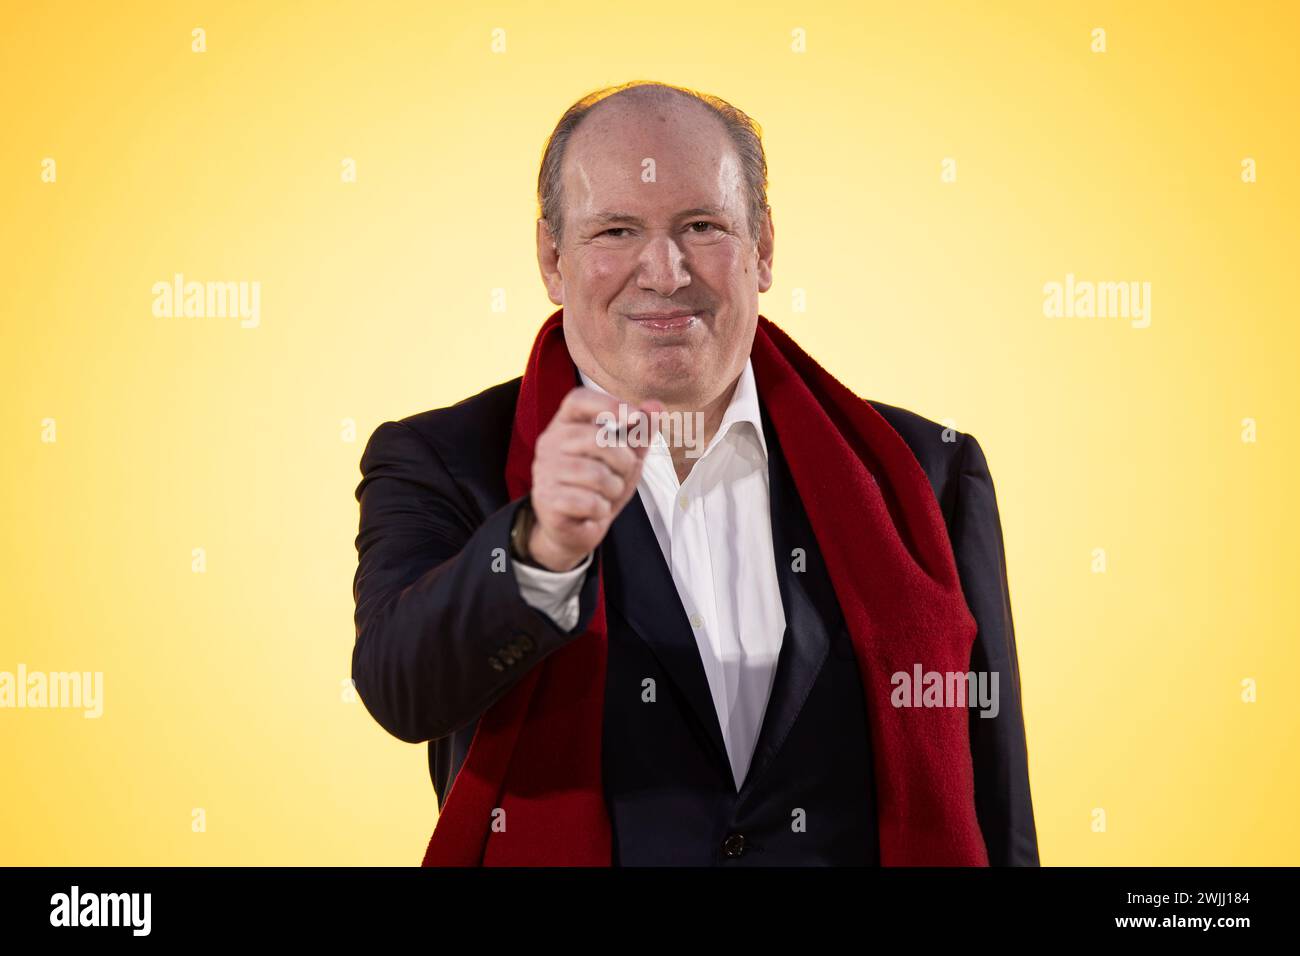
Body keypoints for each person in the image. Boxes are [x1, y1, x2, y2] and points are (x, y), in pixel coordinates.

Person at [351, 80, 1039, 866]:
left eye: (701, 226)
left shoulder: (926, 469)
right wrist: (539, 551)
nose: (665, 271)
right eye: (616, 229)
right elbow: (401, 689)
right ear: (552, 258)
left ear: (764, 247)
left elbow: (998, 804)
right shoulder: (442, 460)